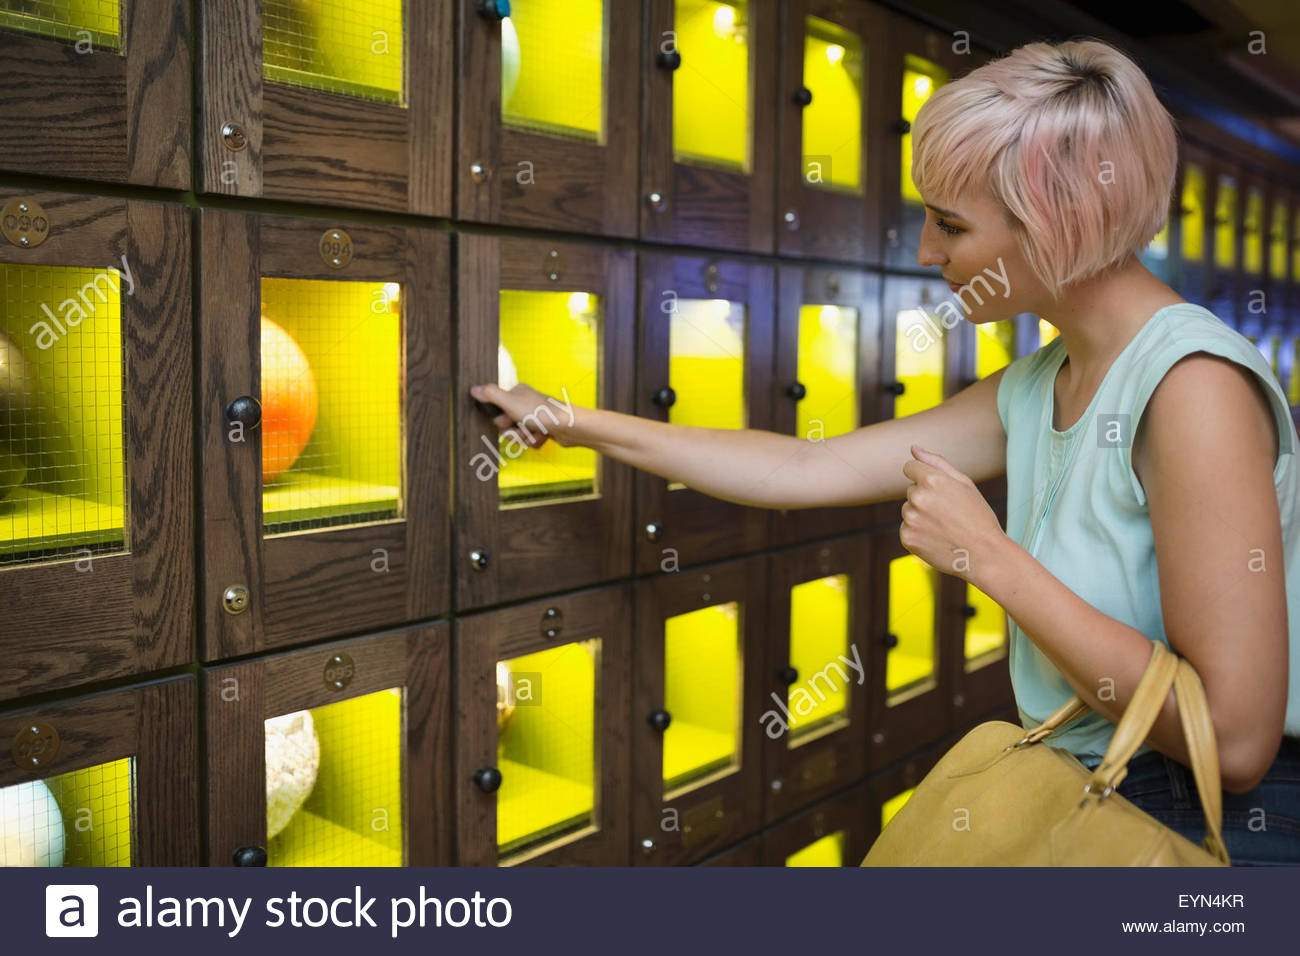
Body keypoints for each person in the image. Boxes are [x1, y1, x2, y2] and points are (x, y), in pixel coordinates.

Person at [471, 38, 1300, 866]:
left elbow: (1232, 740)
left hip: (1195, 828)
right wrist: (573, 419)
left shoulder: (1191, 389)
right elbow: (803, 468)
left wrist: (988, 557)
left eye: (950, 224)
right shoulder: (1046, 380)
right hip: (1095, 794)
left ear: (1053, 224)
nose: (926, 252)